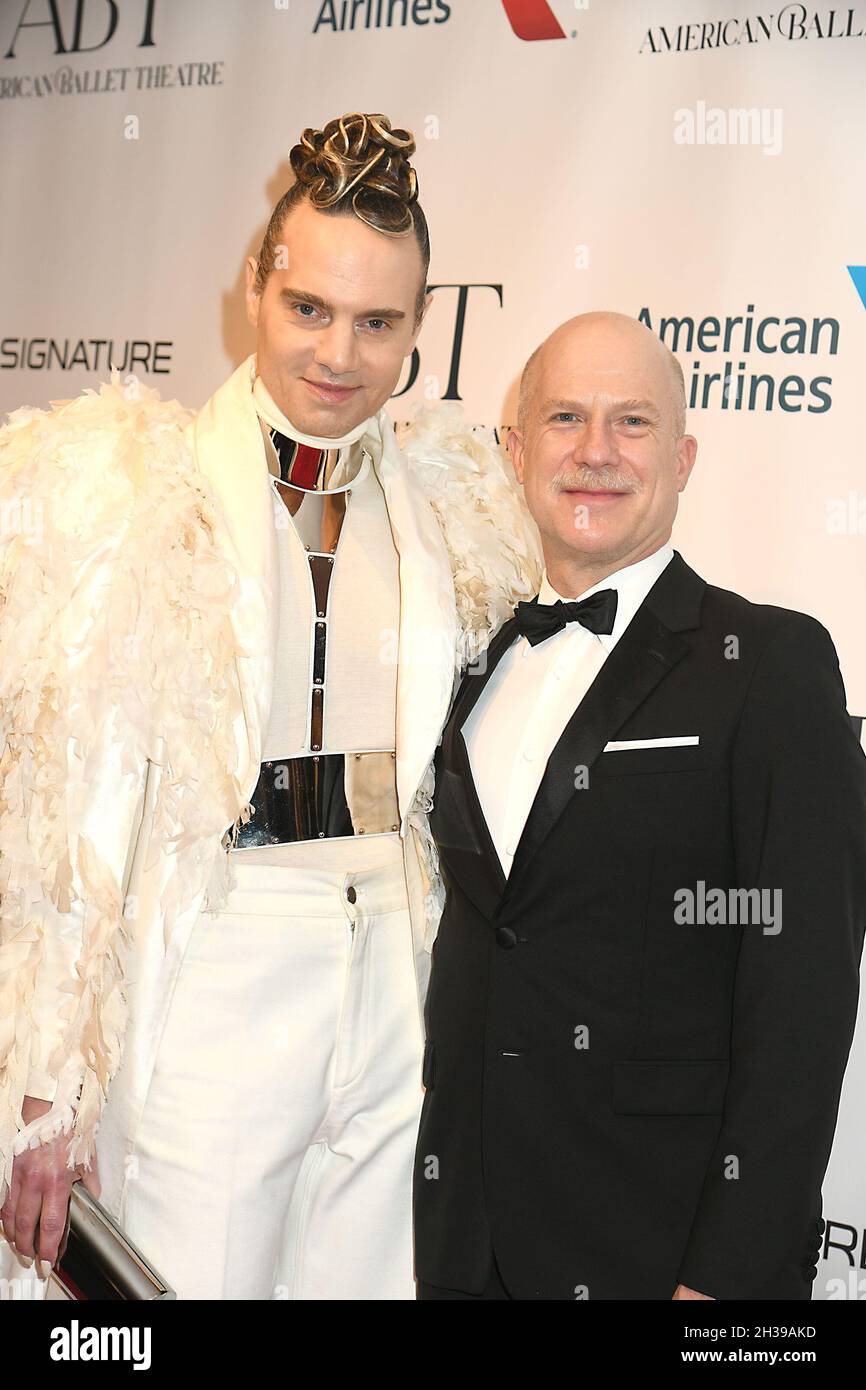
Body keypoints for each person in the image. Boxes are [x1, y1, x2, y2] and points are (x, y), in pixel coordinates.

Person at [0, 112, 537, 1300]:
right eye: (310, 309)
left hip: (393, 957)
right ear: (256, 285)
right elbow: (57, 809)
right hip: (218, 949)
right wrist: (42, 1077)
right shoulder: (128, 488)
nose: (339, 353)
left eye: (377, 322)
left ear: (416, 325)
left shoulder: (454, 505)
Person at [413, 310, 866, 1300]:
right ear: (514, 446)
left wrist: (726, 1279)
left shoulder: (769, 665)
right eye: (565, 418)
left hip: (661, 1256)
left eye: (631, 423)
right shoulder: (466, 664)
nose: (594, 452)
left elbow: (802, 1000)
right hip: (463, 1246)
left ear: (683, 454)